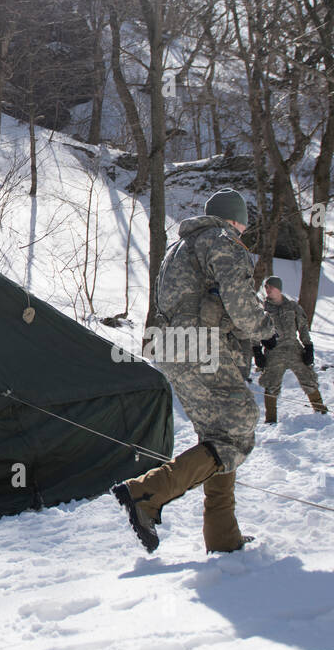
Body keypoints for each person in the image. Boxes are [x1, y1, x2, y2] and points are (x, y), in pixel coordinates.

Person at [113, 188, 274, 555]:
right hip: (198, 346)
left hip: (172, 346)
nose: (243, 234)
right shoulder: (222, 240)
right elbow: (240, 301)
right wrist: (267, 333)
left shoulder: (179, 247)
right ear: (235, 220)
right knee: (239, 424)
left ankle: (223, 537)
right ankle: (145, 493)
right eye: (243, 227)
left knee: (218, 436)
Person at [255, 276, 327, 422]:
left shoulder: (292, 306)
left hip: (294, 348)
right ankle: (270, 419)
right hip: (274, 351)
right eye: (266, 287)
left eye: (270, 287)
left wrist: (308, 346)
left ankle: (321, 412)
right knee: (271, 384)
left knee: (308, 378)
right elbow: (255, 330)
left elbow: (303, 327)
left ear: (278, 288)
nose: (267, 290)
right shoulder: (262, 310)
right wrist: (257, 351)